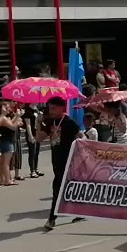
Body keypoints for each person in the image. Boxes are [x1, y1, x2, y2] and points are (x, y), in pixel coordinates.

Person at [44, 97, 85, 232]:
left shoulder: (69, 123)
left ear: (62, 108)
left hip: (68, 160)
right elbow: (39, 138)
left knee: (58, 189)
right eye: (50, 108)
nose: (51, 111)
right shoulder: (50, 122)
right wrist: (39, 125)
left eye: (54, 108)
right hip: (56, 160)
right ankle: (79, 211)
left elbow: (81, 137)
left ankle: (52, 219)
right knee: (68, 186)